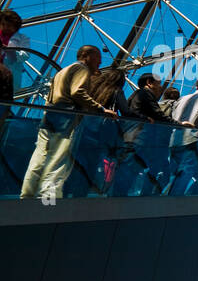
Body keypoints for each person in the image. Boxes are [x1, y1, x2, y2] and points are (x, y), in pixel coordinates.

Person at [20, 45, 114, 199]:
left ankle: (27, 193)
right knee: (59, 158)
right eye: (97, 56)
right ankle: (48, 198)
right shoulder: (82, 69)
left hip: (50, 114)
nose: (100, 61)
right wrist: (101, 109)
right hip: (67, 117)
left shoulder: (63, 70)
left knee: (40, 156)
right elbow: (77, 92)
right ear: (86, 55)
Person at [113, 74, 172, 195]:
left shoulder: (134, 95)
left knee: (125, 173)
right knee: (128, 173)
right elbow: (158, 115)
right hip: (137, 139)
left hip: (128, 137)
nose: (161, 87)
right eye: (158, 83)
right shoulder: (146, 94)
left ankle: (115, 199)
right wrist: (179, 123)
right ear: (149, 82)